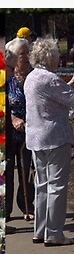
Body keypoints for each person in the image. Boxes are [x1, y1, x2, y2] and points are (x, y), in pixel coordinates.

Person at [24, 36, 74, 246]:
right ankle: (54, 234)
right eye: (56, 55)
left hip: (36, 138)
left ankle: (41, 230)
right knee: (57, 186)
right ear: (50, 57)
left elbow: (52, 96)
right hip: (55, 138)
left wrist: (70, 83)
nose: (59, 58)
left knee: (42, 185)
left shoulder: (32, 77)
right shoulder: (50, 79)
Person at [5, 40, 34, 224]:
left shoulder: (33, 76)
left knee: (26, 170)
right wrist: (13, 118)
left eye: (28, 52)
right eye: (23, 54)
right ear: (14, 58)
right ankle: (6, 212)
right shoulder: (7, 79)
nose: (27, 57)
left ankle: (27, 207)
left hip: (28, 132)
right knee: (7, 171)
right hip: (8, 133)